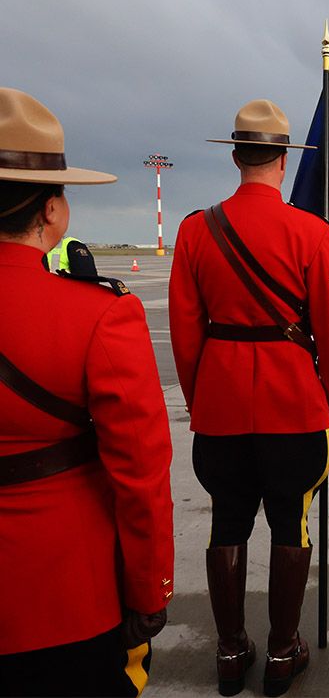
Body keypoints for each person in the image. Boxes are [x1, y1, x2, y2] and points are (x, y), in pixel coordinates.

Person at [169, 99, 329, 697]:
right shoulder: (313, 232)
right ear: (282, 162)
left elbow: (184, 334)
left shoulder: (195, 230)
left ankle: (229, 653)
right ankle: (280, 652)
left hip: (220, 407)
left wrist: (200, 399)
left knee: (226, 521)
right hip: (293, 407)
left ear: (237, 157)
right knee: (290, 525)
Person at [0, 88, 174, 696]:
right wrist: (149, 590)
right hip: (61, 598)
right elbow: (141, 471)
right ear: (52, 210)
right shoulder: (99, 316)